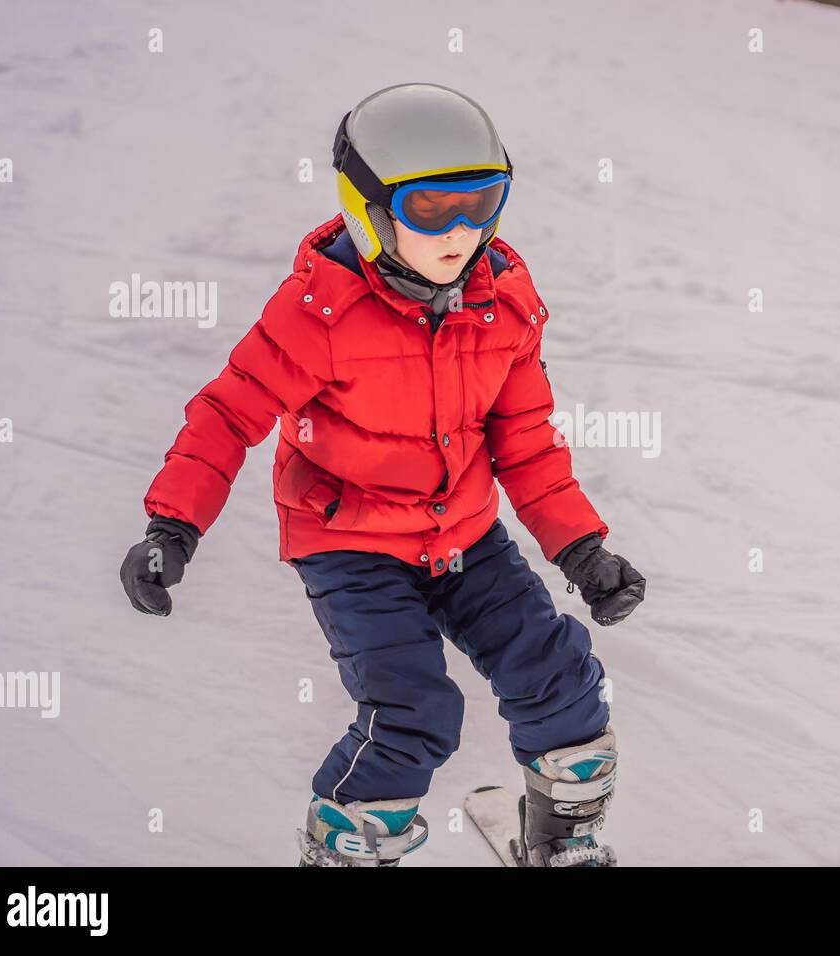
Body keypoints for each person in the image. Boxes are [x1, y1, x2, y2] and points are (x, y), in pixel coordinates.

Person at [119, 83, 646, 867]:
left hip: (465, 533)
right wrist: (174, 525)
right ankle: (347, 854)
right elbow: (229, 414)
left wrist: (580, 548)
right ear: (369, 205)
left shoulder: (502, 302)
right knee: (414, 713)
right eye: (433, 209)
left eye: (485, 201)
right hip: (350, 543)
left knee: (560, 675)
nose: (463, 231)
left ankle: (564, 843)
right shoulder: (317, 311)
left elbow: (525, 442)